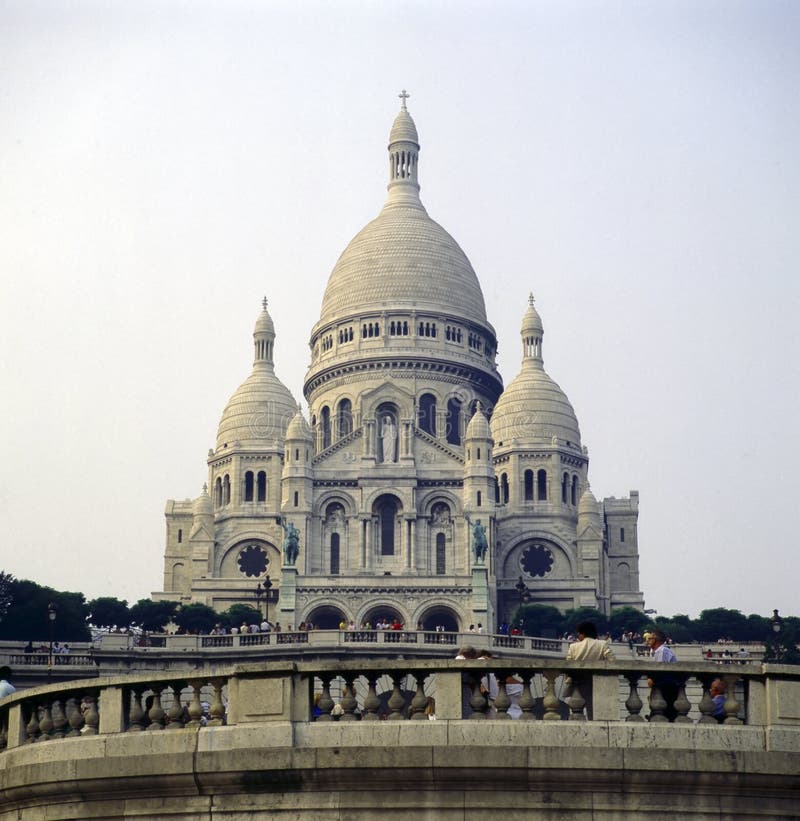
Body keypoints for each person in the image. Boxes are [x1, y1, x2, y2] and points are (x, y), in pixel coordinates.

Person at [565, 621, 613, 719]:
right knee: (593, 712)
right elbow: (612, 661)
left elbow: (568, 665)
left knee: (576, 711)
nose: (578, 636)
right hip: (597, 683)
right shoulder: (602, 644)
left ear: (583, 633)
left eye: (579, 633)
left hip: (577, 683)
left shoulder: (573, 647)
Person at [646, 628, 679, 721]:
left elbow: (660, 670)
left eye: (650, 638)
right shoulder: (659, 651)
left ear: (655, 640)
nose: (648, 640)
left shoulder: (662, 651)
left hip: (668, 687)